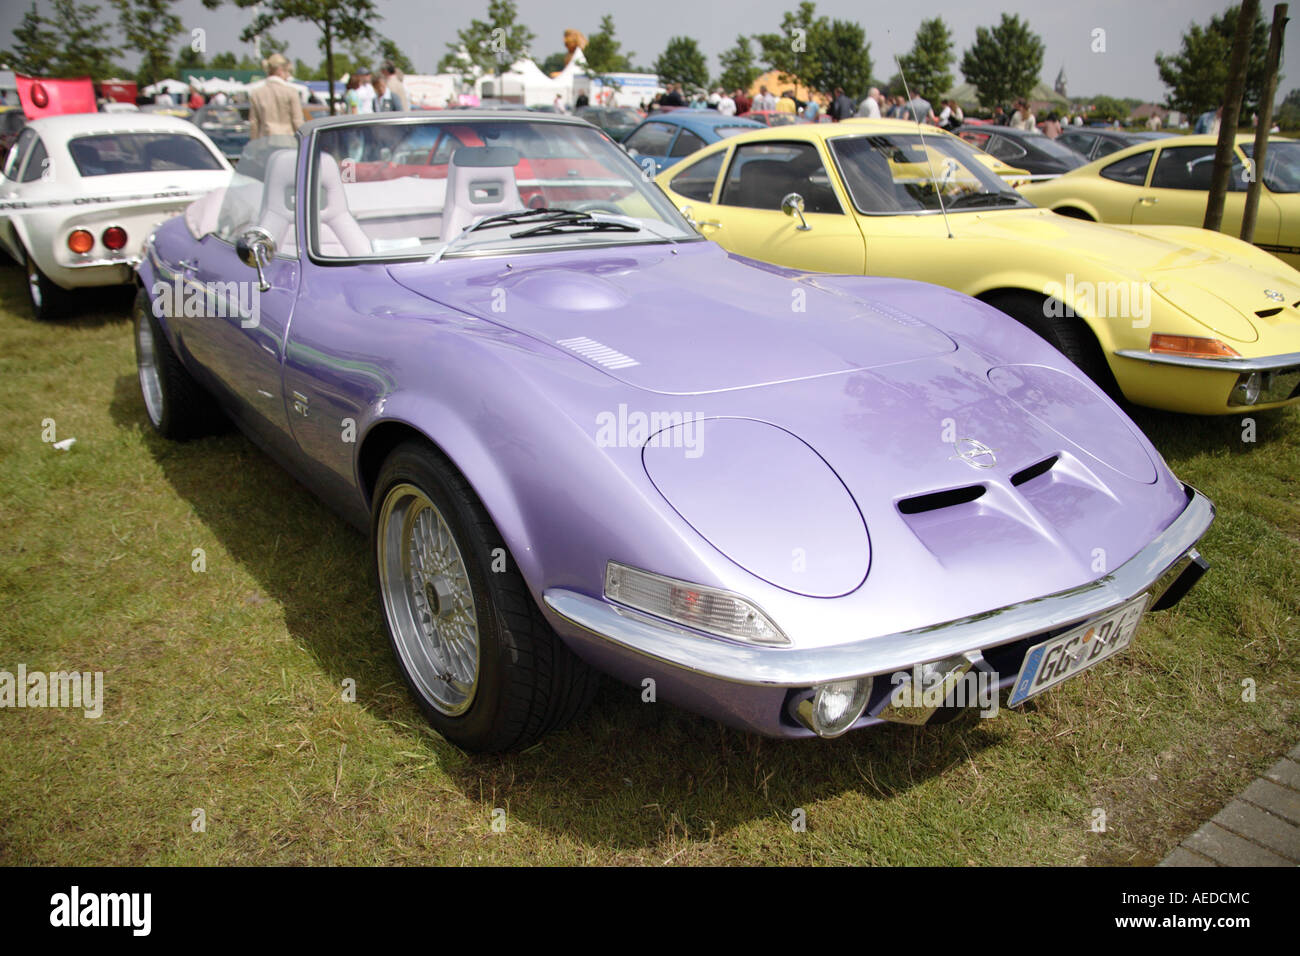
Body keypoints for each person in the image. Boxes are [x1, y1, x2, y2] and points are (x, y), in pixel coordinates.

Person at [249, 52, 306, 140]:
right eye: (288, 71)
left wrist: (253, 143)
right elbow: (297, 121)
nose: (289, 75)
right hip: (288, 141)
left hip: (265, 142)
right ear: (280, 70)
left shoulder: (256, 93)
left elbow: (254, 124)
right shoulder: (291, 92)